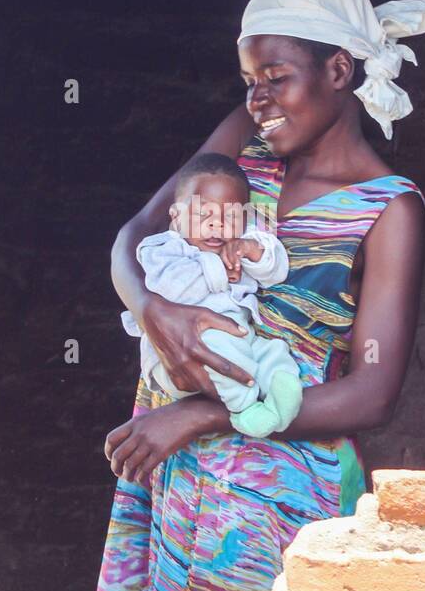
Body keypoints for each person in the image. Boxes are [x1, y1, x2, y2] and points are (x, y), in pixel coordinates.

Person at [79, 0, 425, 591]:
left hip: (273, 487)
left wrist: (206, 414)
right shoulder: (244, 152)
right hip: (167, 465)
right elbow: (131, 239)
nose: (257, 97)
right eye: (249, 79)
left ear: (338, 70)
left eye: (276, 76)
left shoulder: (387, 210)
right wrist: (153, 312)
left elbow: (372, 393)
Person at [121, 151, 302, 439]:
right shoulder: (161, 248)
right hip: (181, 351)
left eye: (230, 216)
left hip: (240, 341)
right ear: (176, 217)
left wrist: (252, 250)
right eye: (203, 214)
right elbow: (169, 288)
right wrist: (216, 268)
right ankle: (244, 410)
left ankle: (280, 398)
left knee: (273, 352)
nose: (217, 225)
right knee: (218, 345)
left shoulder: (237, 246)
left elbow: (276, 270)